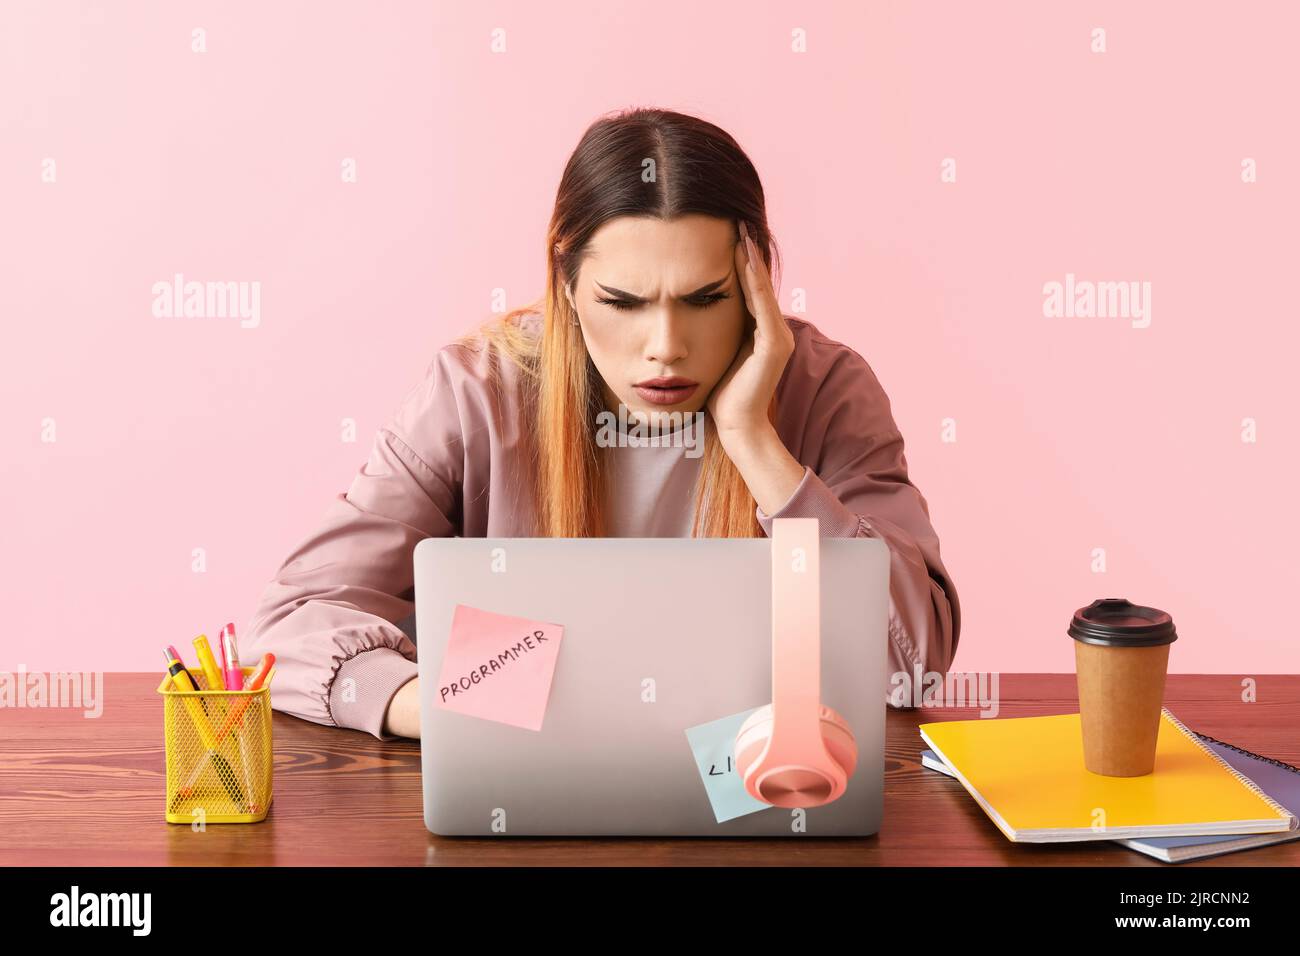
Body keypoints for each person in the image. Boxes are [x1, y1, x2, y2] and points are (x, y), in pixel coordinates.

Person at [242, 107, 961, 740]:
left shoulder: (826, 389)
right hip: (521, 789)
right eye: (622, 301)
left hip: (751, 791)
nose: (665, 345)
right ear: (566, 284)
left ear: (757, 282)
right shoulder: (476, 390)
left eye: (705, 299)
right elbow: (295, 619)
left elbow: (912, 663)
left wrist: (754, 442)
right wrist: (423, 707)